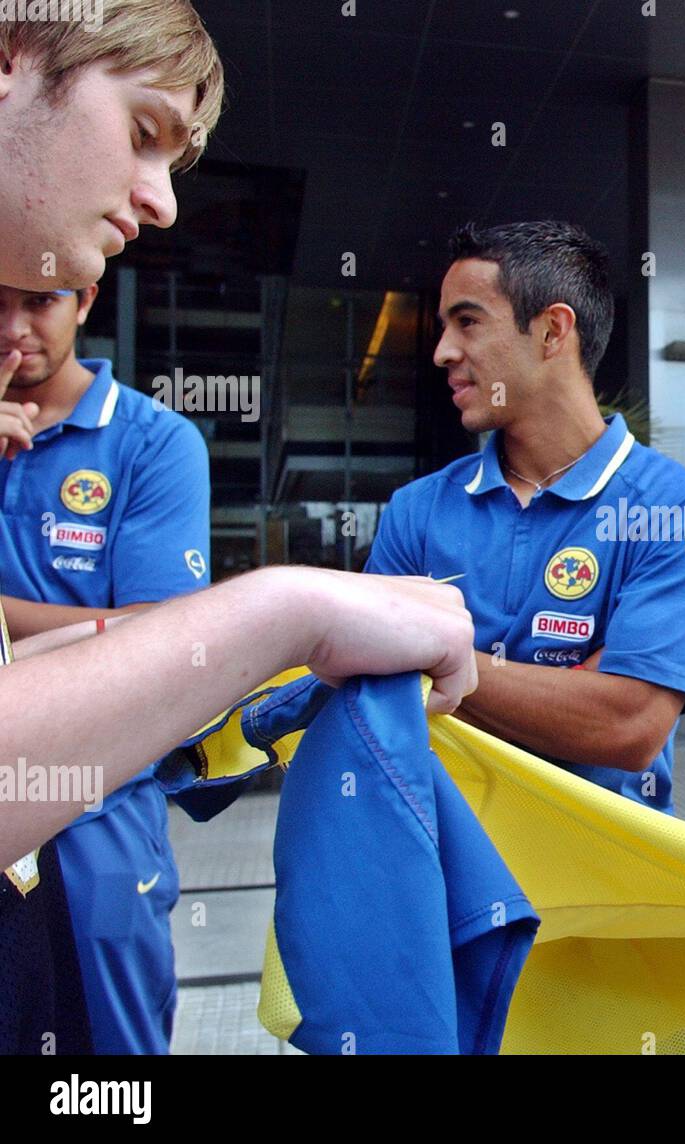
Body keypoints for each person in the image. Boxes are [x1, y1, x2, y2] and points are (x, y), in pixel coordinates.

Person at [0, 1, 477, 1054]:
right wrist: (289, 611)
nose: (162, 203)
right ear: (10, 61)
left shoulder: (148, 442)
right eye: (142, 131)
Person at [364, 221, 685, 813]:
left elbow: (627, 727)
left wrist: (431, 657)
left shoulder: (672, 511)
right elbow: (373, 687)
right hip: (439, 870)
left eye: (468, 321)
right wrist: (568, 691)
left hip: (601, 883)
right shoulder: (418, 510)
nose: (442, 352)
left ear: (552, 331)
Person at [0, 282, 212, 1053]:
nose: (14, 328)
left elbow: (166, 637)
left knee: (105, 1076)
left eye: (40, 301)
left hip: (92, 810)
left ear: (86, 297)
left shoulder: (152, 441)